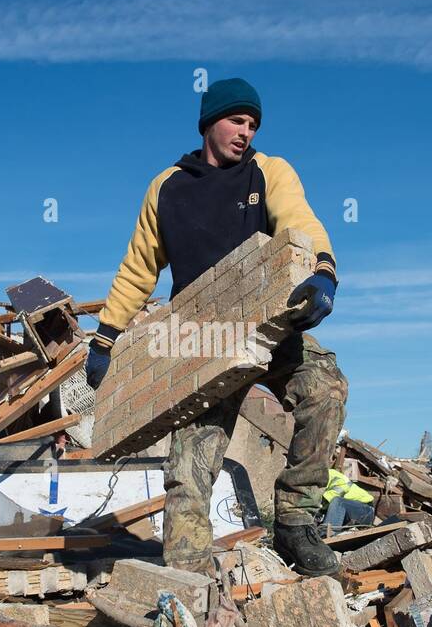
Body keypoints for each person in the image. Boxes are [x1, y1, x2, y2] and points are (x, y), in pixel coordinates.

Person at [84, 78, 347, 576]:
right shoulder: (168, 187)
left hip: (269, 329)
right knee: (189, 467)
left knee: (326, 386)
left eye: (253, 124)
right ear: (209, 123)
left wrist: (323, 268)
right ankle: (188, 574)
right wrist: (106, 336)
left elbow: (299, 219)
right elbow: (139, 267)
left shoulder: (268, 172)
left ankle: (294, 519)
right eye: (236, 120)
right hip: (199, 345)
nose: (246, 132)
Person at [322, 467, 375, 535]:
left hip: (365, 510)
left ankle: (327, 535)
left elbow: (341, 488)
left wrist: (321, 504)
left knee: (338, 502)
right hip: (349, 514)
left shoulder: (331, 474)